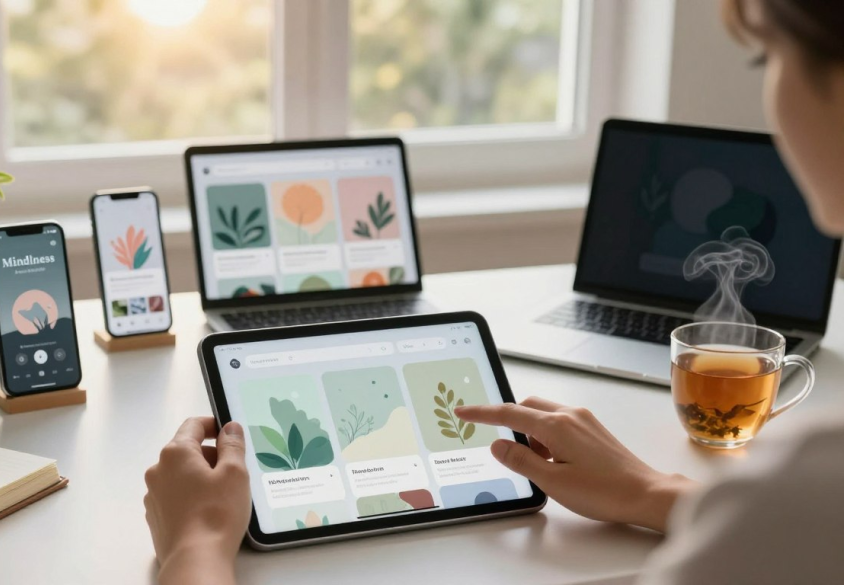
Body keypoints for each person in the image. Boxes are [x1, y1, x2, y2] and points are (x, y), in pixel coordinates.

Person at [143, 1, 844, 582]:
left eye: (767, 56)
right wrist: (646, 489)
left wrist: (196, 542)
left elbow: (780, 523)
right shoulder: (802, 505)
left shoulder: (802, 491)